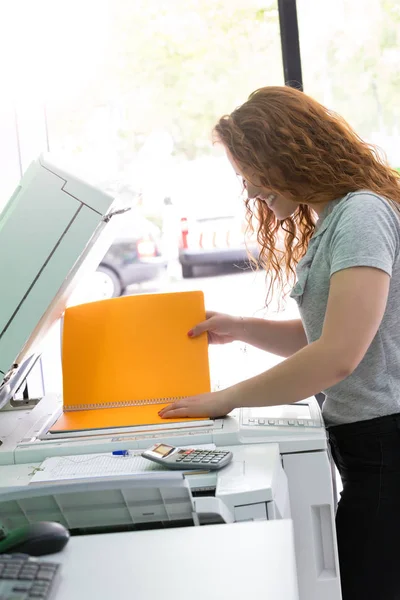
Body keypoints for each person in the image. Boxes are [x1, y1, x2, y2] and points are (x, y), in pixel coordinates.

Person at [159, 85, 400, 599]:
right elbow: (326, 335)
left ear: (288, 154)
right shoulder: (334, 219)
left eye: (251, 172)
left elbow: (337, 356)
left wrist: (226, 398)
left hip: (387, 443)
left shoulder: (360, 215)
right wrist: (241, 327)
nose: (249, 190)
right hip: (369, 444)